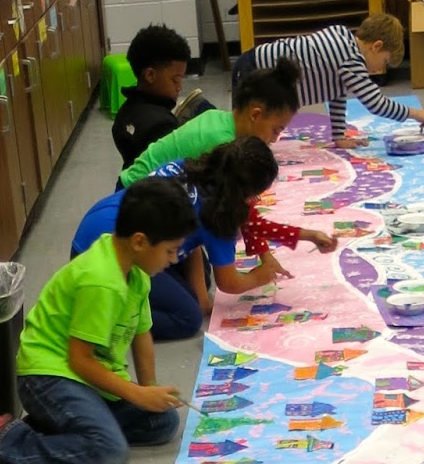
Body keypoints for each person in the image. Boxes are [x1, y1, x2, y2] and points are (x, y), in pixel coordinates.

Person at [0, 179, 195, 464]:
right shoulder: (101, 281)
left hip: (85, 377)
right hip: (48, 376)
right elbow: (80, 360)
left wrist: (149, 390)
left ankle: (56, 424)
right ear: (139, 241)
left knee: (162, 423)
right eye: (170, 251)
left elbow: (141, 333)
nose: (173, 260)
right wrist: (136, 393)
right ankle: (6, 445)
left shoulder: (136, 272)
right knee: (110, 453)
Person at [73, 139, 336, 341]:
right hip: (109, 254)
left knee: (197, 286)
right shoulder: (218, 216)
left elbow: (206, 238)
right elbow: (229, 282)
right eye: (254, 196)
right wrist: (260, 276)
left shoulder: (191, 169)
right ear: (243, 194)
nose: (254, 203)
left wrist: (308, 235)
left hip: (92, 228)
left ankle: (116, 298)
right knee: (187, 318)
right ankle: (106, 318)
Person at [233, 14, 424, 146]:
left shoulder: (343, 37)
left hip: (253, 62)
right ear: (376, 46)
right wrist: (417, 114)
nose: (381, 68)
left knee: (252, 129)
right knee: (247, 132)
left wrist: (338, 136)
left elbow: (336, 93)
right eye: (385, 61)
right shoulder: (352, 59)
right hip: (256, 72)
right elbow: (376, 104)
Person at [118, 57, 302, 189]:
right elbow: (218, 206)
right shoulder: (223, 144)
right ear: (255, 115)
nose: (275, 139)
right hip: (134, 194)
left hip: (134, 180)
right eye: (276, 130)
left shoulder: (217, 116)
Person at [112, 23, 195, 171]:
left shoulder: (125, 112)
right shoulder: (162, 125)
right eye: (175, 80)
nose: (179, 87)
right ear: (150, 75)